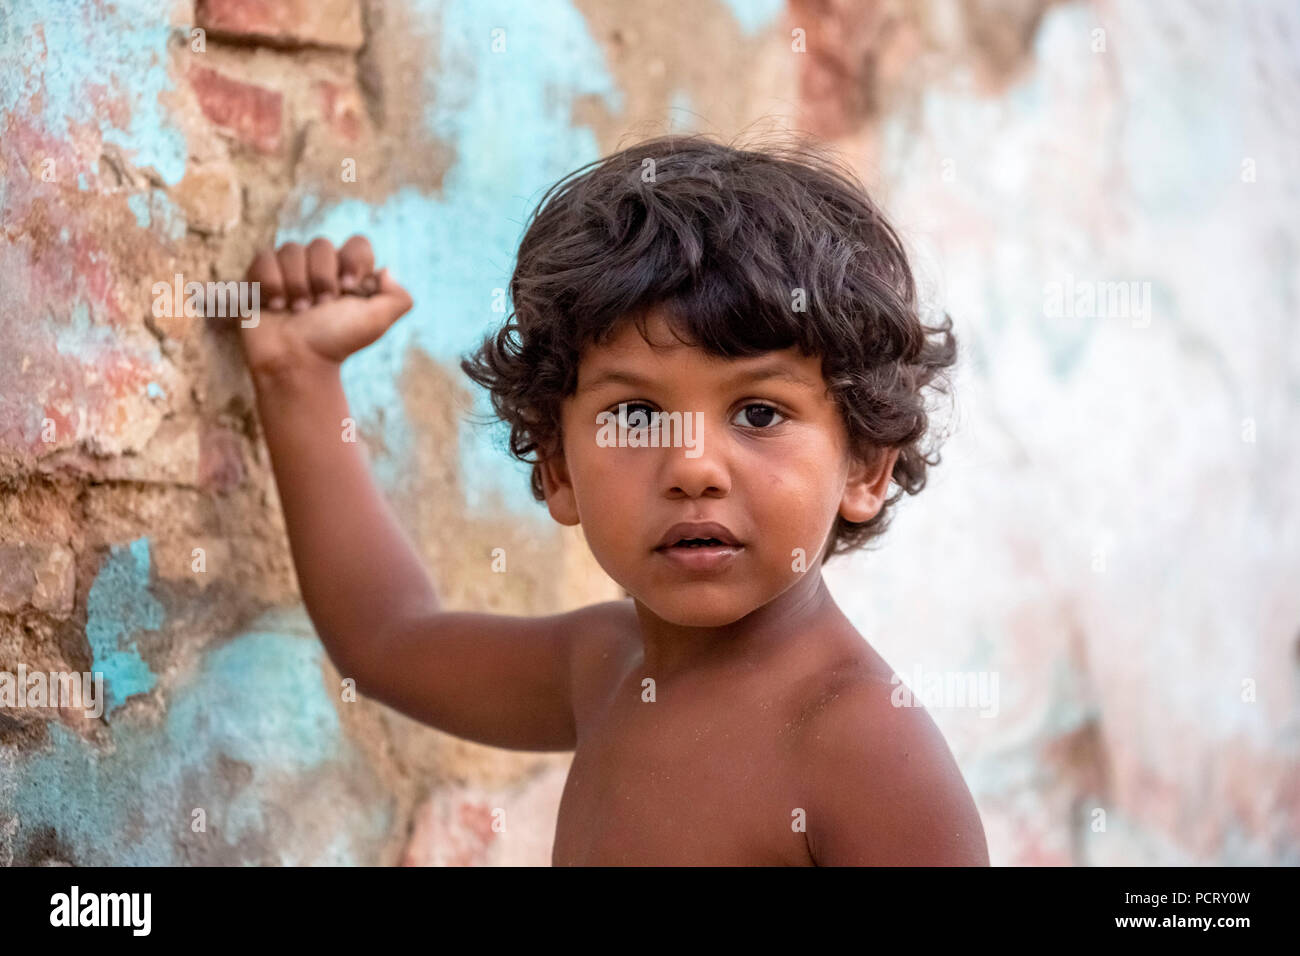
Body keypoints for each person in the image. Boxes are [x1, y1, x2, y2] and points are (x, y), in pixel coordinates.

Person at [240, 132, 988, 865]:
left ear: (865, 465)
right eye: (635, 416)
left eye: (759, 413)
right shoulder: (603, 667)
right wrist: (297, 378)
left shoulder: (864, 751)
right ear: (559, 465)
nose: (693, 467)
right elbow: (386, 640)